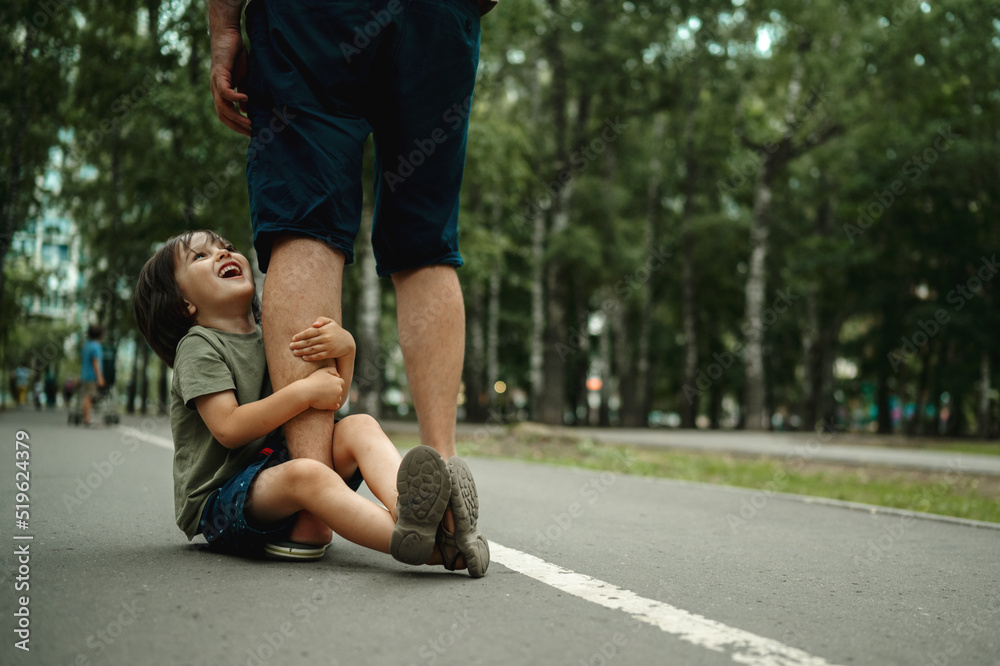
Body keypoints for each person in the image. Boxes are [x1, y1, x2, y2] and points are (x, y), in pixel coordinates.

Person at [207, 0, 491, 572]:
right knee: (427, 243)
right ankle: (447, 473)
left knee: (305, 222)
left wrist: (225, 27)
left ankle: (313, 509)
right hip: (439, 15)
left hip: (314, 16)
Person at [132, 230, 486, 575]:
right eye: (201, 256)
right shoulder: (198, 347)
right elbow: (228, 428)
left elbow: (331, 397)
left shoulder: (270, 334)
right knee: (307, 473)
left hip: (273, 467)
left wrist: (346, 350)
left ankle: (411, 513)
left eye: (225, 246)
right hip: (223, 499)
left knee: (359, 426)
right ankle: (437, 549)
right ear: (184, 305)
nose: (223, 253)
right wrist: (303, 392)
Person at [80, 324, 105, 425]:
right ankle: (86, 418)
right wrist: (99, 377)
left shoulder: (86, 345)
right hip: (91, 376)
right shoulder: (96, 346)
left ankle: (86, 417)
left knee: (86, 396)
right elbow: (95, 361)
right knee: (89, 396)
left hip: (84, 374)